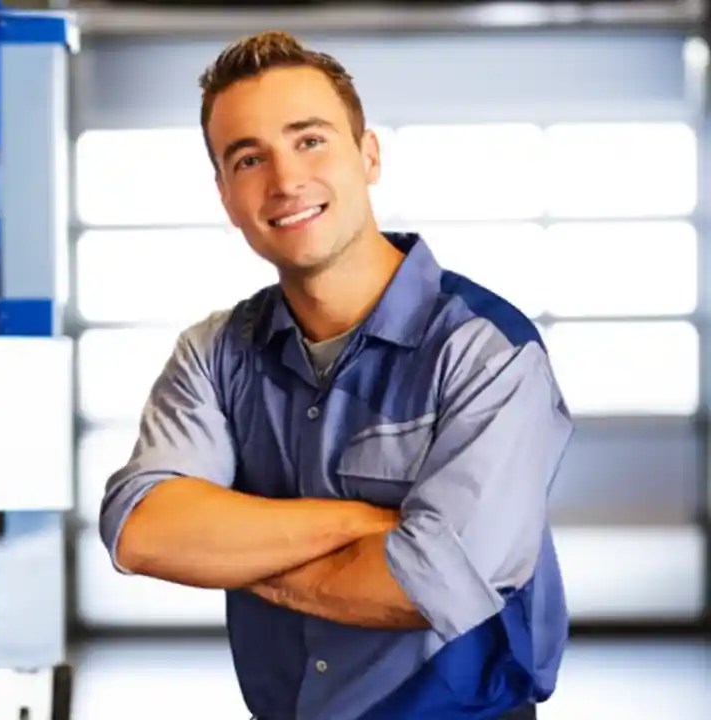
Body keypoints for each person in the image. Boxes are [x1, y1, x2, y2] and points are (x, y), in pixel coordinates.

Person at [98, 30, 573, 720]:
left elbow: (427, 586)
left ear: (368, 154)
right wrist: (359, 523)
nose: (286, 180)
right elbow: (142, 531)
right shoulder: (214, 353)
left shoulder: (485, 352)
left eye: (310, 140)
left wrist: (233, 551)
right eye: (249, 158)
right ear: (227, 196)